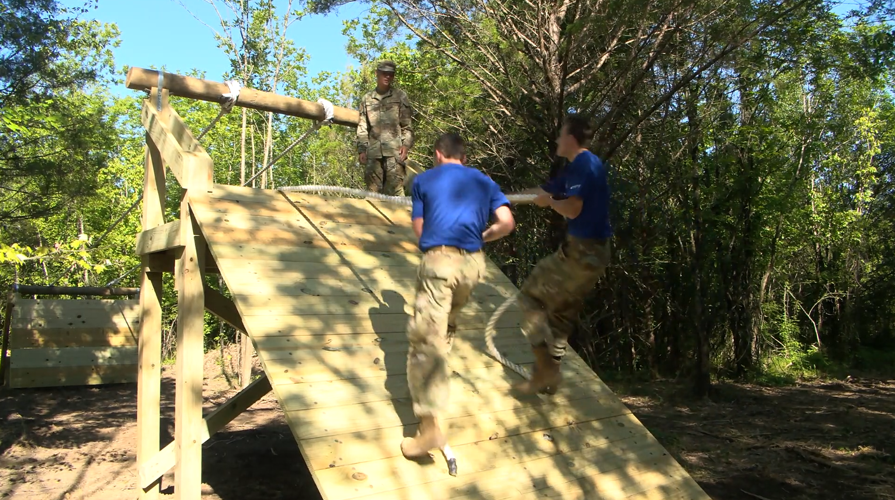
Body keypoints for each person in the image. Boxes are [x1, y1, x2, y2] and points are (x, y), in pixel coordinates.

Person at [400, 133, 516, 459]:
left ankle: (427, 429)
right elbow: (507, 223)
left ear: (438, 154)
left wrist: (432, 251)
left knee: (425, 342)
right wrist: (482, 236)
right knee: (447, 321)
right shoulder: (483, 181)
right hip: (474, 266)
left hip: (440, 262)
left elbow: (420, 229)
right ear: (463, 156)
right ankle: (441, 365)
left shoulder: (423, 180)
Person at [512, 114, 612, 396]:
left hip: (584, 252)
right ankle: (549, 376)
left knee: (529, 299)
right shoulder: (574, 169)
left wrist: (552, 203)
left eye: (560, 134)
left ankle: (546, 370)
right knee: (560, 314)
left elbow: (571, 209)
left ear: (570, 138)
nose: (557, 139)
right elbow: (541, 193)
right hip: (590, 253)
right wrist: (501, 198)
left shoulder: (584, 164)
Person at [356, 60, 414, 196]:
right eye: (384, 74)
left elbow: (407, 125)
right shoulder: (367, 99)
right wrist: (361, 150)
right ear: (377, 74)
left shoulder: (400, 97)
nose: (387, 77)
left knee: (396, 194)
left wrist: (406, 146)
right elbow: (362, 126)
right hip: (373, 154)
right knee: (372, 195)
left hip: (395, 154)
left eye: (391, 74)